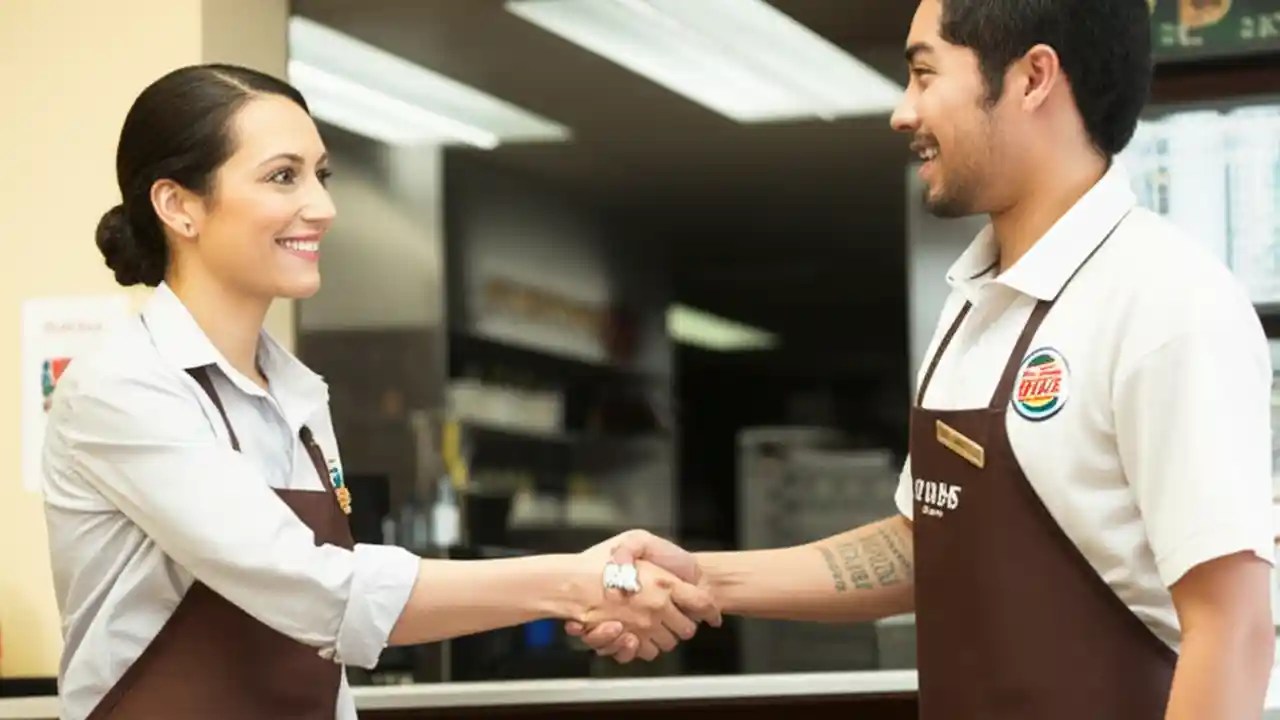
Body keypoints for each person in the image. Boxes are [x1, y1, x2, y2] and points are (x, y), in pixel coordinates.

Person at [570, 0, 1278, 718]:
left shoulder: (1166, 302)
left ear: (1033, 77)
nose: (902, 113)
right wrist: (702, 579)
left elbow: (1234, 626)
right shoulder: (973, 304)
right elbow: (927, 546)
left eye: (923, 74)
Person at [42, 63, 720, 720]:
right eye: (284, 176)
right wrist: (576, 583)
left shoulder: (295, 394)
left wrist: (583, 588)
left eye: (321, 174)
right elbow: (317, 593)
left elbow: (322, 651)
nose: (324, 207)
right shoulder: (123, 385)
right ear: (178, 206)